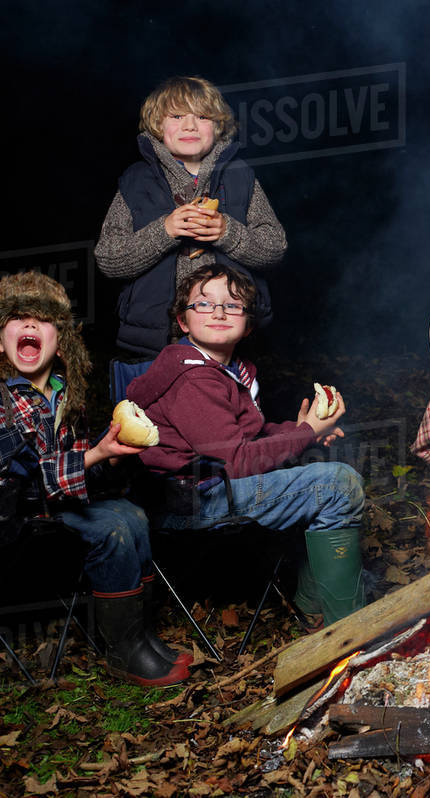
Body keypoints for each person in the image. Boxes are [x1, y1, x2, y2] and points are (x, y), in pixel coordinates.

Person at [126, 265, 364, 625]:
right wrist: (305, 435)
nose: (219, 312)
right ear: (183, 321)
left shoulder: (231, 370)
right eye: (204, 304)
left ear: (248, 324)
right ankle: (348, 629)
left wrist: (300, 430)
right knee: (337, 485)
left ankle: (315, 609)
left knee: (332, 483)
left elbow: (243, 435)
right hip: (189, 498)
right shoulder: (192, 377)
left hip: (209, 483)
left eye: (233, 305)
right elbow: (234, 461)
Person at [0, 271, 189, 686]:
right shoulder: (3, 402)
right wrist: (93, 456)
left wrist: (109, 456)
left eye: (43, 319)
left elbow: (77, 469)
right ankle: (123, 654)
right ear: (0, 339)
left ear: (61, 341)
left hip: (55, 508)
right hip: (14, 523)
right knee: (110, 527)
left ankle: (138, 635)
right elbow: (18, 487)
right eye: (17, 317)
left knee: (130, 513)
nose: (30, 325)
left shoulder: (66, 394)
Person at [95, 75, 286, 357]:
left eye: (202, 116)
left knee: (229, 402)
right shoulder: (137, 182)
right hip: (157, 342)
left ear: (218, 126)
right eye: (176, 115)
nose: (189, 125)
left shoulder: (240, 176)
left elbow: (274, 247)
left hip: (229, 341)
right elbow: (108, 259)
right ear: (158, 125)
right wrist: (165, 231)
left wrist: (227, 233)